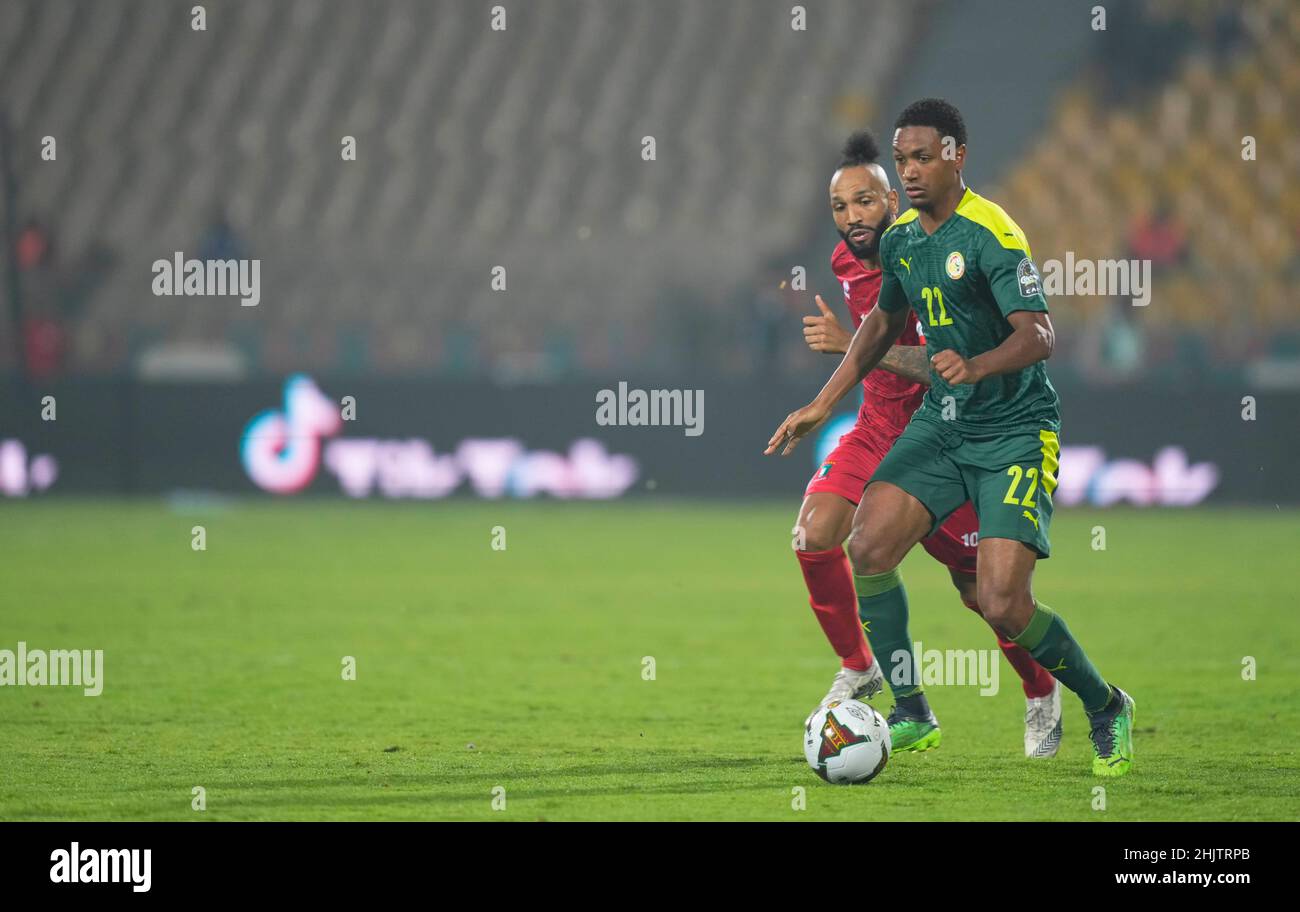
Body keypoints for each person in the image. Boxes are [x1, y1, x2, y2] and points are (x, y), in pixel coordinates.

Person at [767, 100, 1134, 777]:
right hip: (941, 421)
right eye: (902, 159)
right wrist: (822, 404)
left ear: (956, 156)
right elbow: (882, 326)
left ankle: (1103, 702)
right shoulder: (903, 240)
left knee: (998, 600)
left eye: (920, 158)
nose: (909, 171)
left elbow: (1042, 335)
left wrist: (978, 364)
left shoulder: (994, 233)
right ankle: (909, 706)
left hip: (1015, 428)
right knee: (868, 545)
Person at [792, 129, 1061, 757]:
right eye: (839, 207)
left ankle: (1040, 687)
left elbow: (947, 359)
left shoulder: (925, 252)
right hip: (878, 428)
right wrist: (827, 398)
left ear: (892, 201)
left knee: (984, 596)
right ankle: (873, 674)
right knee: (816, 533)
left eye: (864, 202)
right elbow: (874, 339)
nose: (852, 218)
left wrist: (851, 347)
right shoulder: (846, 263)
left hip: (947, 431)